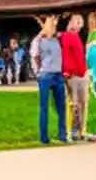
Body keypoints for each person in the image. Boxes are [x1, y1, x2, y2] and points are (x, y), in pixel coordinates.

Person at [31, 16, 67, 145]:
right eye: (53, 25)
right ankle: (44, 137)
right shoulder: (39, 40)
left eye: (56, 25)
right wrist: (38, 71)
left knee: (61, 107)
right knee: (44, 106)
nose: (54, 27)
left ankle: (63, 134)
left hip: (58, 74)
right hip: (46, 74)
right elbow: (35, 55)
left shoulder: (57, 40)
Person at [61, 14, 89, 141]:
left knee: (82, 103)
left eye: (81, 22)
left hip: (81, 73)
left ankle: (81, 130)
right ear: (71, 23)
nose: (78, 24)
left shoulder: (77, 38)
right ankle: (69, 130)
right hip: (71, 74)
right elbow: (65, 54)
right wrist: (66, 70)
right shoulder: (66, 37)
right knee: (73, 103)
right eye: (76, 21)